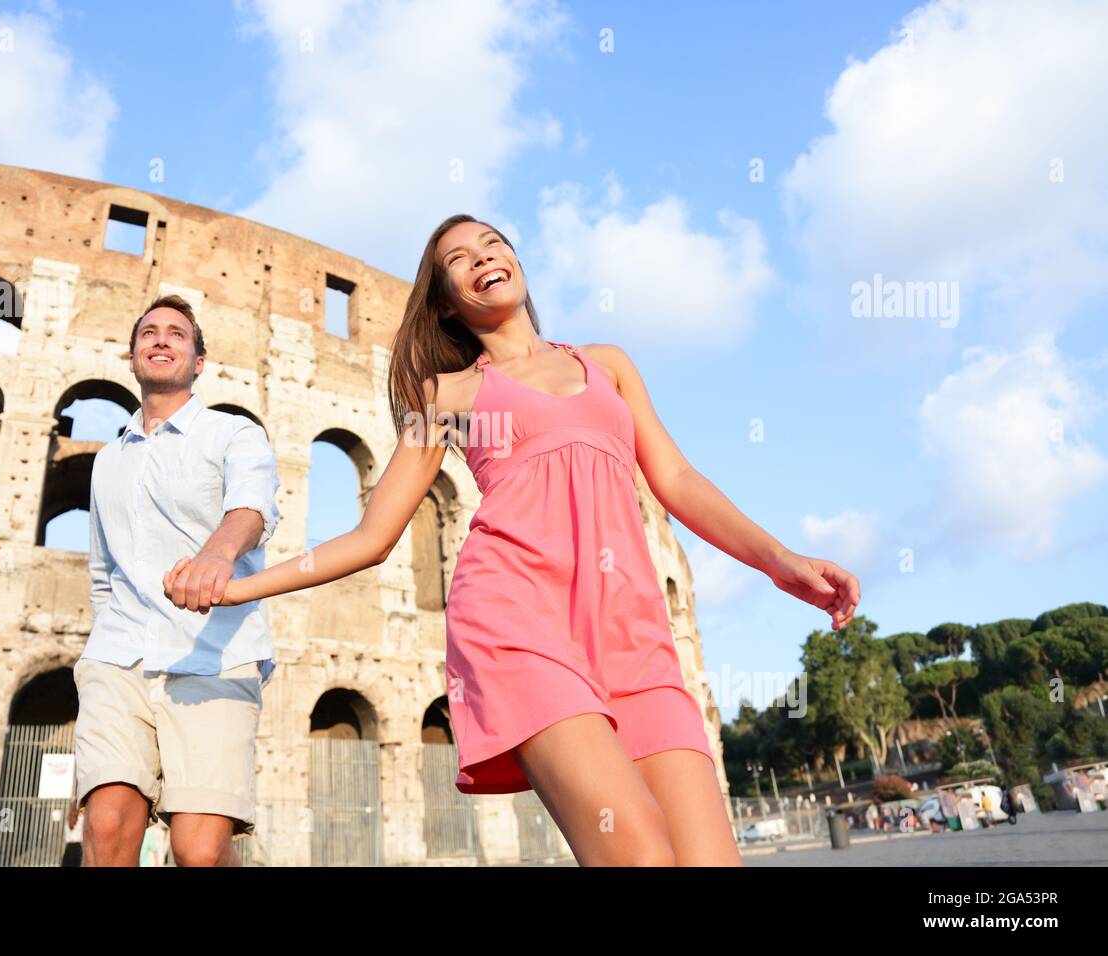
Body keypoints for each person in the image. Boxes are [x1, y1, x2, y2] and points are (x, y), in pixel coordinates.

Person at [163, 215, 860, 866]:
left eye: (492, 243)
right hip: (516, 624)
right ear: (444, 303)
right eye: (458, 260)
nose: (482, 258)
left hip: (633, 634)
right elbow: (374, 536)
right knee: (639, 853)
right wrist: (237, 585)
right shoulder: (446, 397)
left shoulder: (608, 364)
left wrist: (780, 562)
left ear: (516, 259)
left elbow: (675, 478)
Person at [77, 294, 280, 867]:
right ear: (133, 355)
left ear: (198, 361)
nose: (160, 340)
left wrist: (217, 555)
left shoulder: (233, 433)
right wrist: (99, 646)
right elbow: (102, 568)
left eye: (176, 334)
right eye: (148, 333)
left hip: (213, 654)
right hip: (118, 655)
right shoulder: (107, 460)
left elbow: (253, 507)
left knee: (198, 851)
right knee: (108, 825)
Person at [61, 802, 83, 867]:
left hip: (68, 847)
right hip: (77, 847)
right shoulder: (81, 819)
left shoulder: (68, 820)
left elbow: (65, 835)